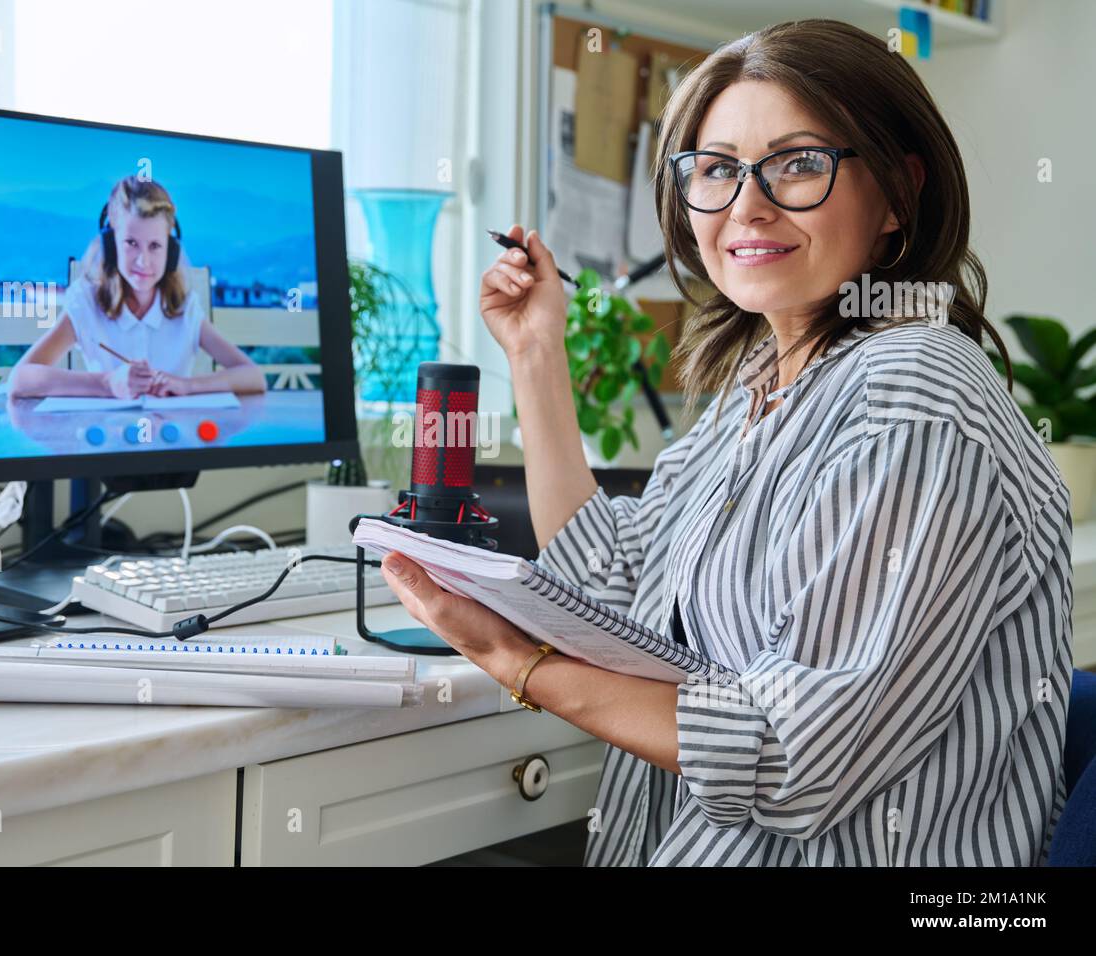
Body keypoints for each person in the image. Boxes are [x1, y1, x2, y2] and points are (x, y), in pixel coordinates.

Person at [379, 19, 1073, 866]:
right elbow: (615, 580)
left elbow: (795, 753)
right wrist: (534, 353)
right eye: (715, 169)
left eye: (799, 163)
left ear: (898, 192)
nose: (747, 204)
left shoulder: (912, 390)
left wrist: (520, 664)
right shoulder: (765, 380)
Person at [7, 176, 266, 399]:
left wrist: (187, 386)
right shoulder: (87, 301)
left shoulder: (184, 307)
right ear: (111, 245)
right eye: (131, 243)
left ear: (171, 251)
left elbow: (253, 377)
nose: (143, 261)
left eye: (155, 246)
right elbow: (20, 380)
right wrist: (107, 383)